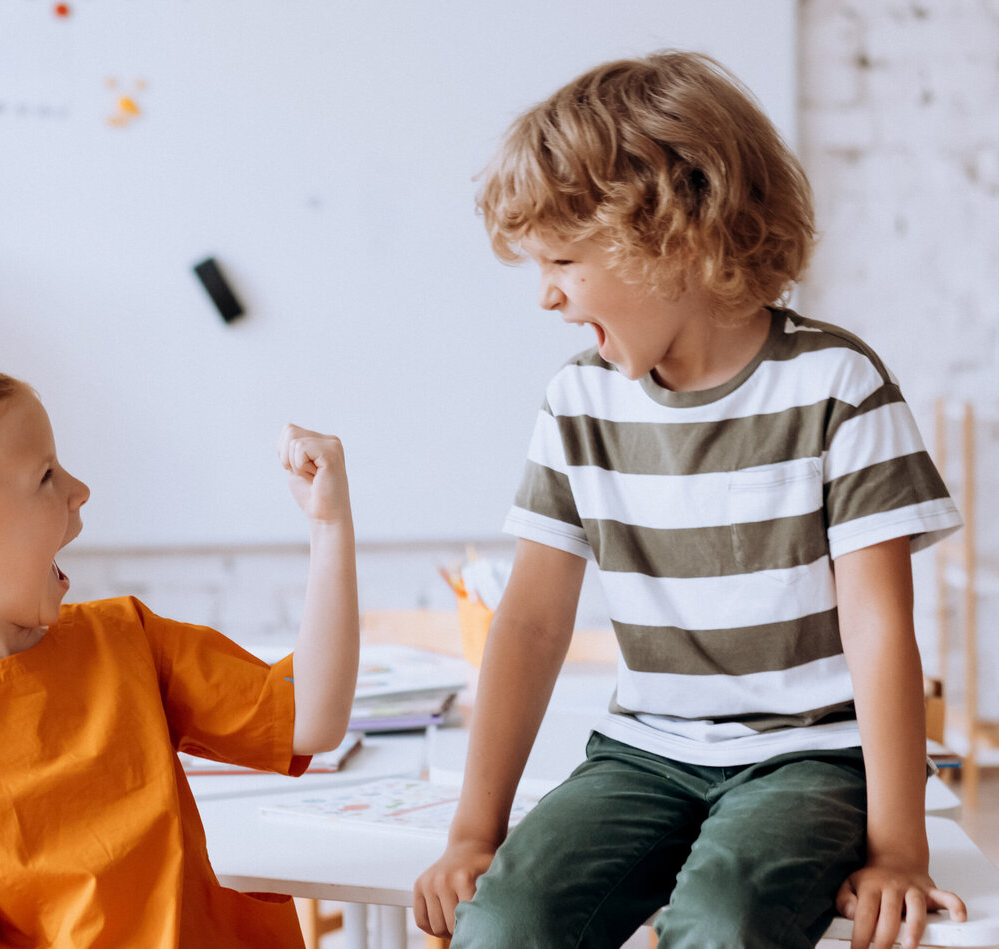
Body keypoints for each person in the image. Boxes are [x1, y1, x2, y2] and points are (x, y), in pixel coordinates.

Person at [414, 50, 968, 949]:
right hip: (644, 754)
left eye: (562, 258)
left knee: (722, 921)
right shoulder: (578, 401)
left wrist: (899, 848)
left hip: (806, 759)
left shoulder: (839, 386)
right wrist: (474, 834)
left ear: (671, 237)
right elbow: (529, 622)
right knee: (506, 920)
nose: (547, 294)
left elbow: (879, 630)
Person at [0, 366, 359, 948]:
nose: (79, 490)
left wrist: (328, 524)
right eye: (46, 477)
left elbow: (309, 717)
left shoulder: (125, 638)